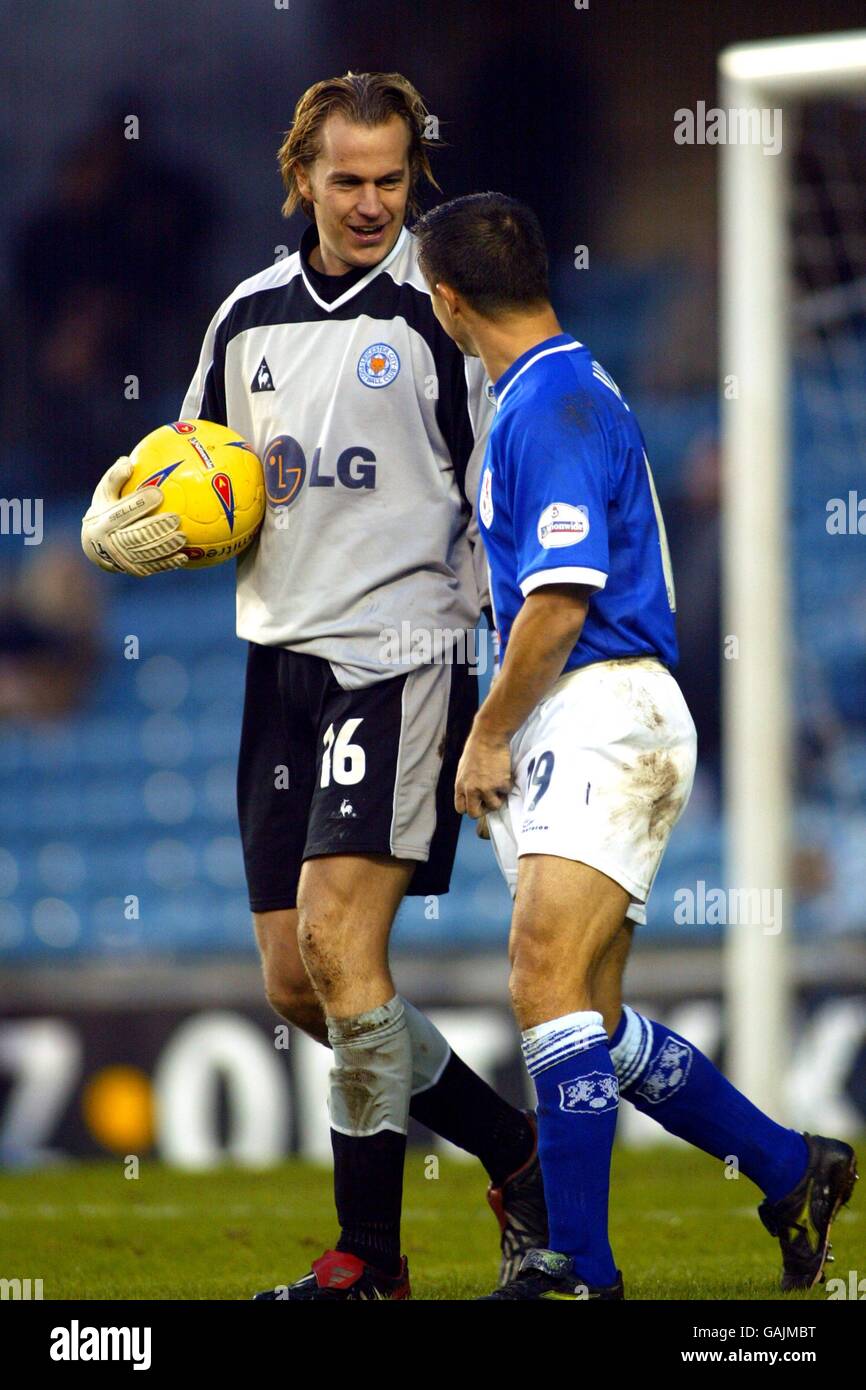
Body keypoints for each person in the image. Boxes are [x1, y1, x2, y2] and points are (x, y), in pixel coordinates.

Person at [80, 74, 548, 1301]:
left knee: (343, 947)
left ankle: (368, 1259)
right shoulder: (245, 319)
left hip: (401, 659)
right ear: (301, 177)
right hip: (277, 667)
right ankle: (516, 1150)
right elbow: (188, 471)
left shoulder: (440, 315)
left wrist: (502, 686)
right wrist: (124, 525)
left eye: (391, 180)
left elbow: (500, 494)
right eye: (348, 180)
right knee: (301, 984)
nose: (371, 202)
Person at [413, 190, 858, 1300]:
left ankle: (578, 1265)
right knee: (591, 1019)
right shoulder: (553, 387)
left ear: (449, 300)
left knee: (540, 977)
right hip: (600, 714)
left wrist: (485, 734)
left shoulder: (549, 402)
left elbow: (560, 600)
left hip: (599, 708)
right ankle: (788, 1167)